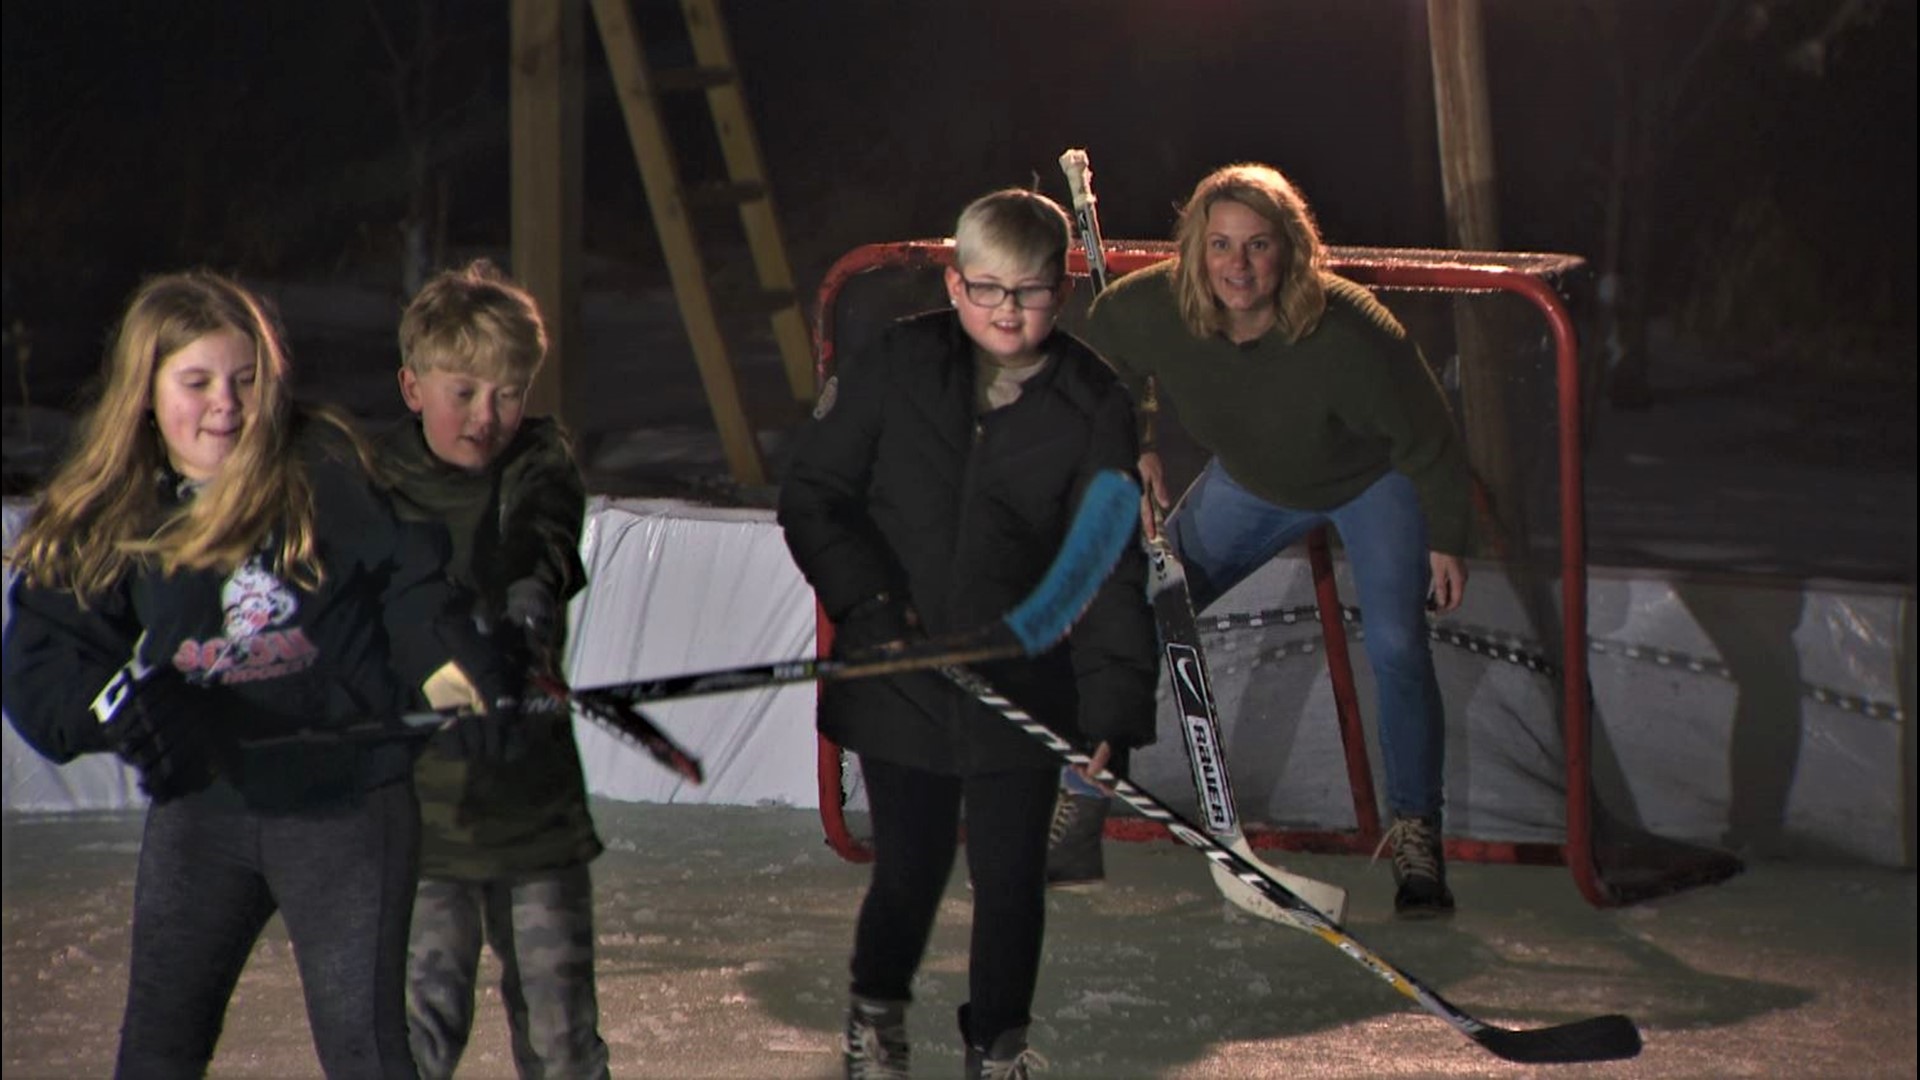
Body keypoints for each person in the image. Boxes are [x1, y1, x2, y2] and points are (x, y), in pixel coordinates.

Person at [1, 270, 517, 1078]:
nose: (227, 407)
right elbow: (50, 657)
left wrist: (458, 681)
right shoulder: (124, 503)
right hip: (205, 812)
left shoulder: (320, 469)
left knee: (367, 1054)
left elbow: (411, 594)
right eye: (197, 382)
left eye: (245, 381)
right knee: (155, 1057)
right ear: (145, 390)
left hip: (345, 810)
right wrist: (118, 708)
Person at [779, 188, 1159, 1079]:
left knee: (1011, 873)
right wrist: (869, 604)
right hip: (899, 665)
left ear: (1059, 292)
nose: (1005, 311)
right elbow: (814, 496)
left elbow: (1104, 558)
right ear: (954, 286)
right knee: (907, 866)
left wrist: (1110, 698)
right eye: (985, 289)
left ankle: (1000, 1041)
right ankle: (875, 1015)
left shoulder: (1093, 404)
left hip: (1017, 675)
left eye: (1026, 292)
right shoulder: (897, 364)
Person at [1070, 162, 1475, 919]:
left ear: (1290, 249)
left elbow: (1427, 436)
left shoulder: (1351, 328)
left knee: (1395, 642)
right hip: (1253, 482)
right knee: (1142, 608)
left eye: (1258, 246)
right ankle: (1076, 796)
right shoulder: (1158, 303)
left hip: (1369, 481)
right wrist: (1133, 437)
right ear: (1195, 250)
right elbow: (1097, 361)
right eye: (1220, 245)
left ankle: (1418, 837)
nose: (1238, 266)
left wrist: (1448, 535)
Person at [378, 260, 610, 1080]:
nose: (487, 416)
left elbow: (537, 543)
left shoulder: (540, 461)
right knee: (417, 1028)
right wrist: (445, 674)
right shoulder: (376, 485)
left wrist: (523, 626)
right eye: (464, 392)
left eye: (508, 393)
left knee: (561, 1036)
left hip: (532, 808)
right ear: (413, 387)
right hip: (420, 819)